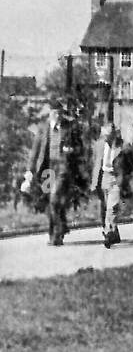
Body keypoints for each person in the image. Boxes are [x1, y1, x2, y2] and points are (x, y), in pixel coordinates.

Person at [21, 105, 74, 246]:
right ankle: (58, 229)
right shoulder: (43, 128)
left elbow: (79, 146)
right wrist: (29, 170)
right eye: (55, 112)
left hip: (62, 167)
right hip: (47, 169)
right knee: (50, 201)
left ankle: (56, 234)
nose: (58, 115)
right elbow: (35, 150)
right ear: (50, 113)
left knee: (55, 198)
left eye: (60, 112)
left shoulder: (68, 127)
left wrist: (72, 150)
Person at [92, 122, 127, 248]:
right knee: (107, 207)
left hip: (115, 178)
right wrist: (94, 182)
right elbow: (96, 164)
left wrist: (123, 182)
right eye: (104, 135)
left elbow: (126, 166)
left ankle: (108, 233)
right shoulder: (100, 145)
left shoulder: (120, 146)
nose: (106, 138)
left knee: (112, 207)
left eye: (108, 135)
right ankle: (114, 233)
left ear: (113, 134)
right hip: (104, 178)